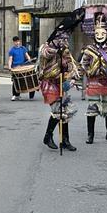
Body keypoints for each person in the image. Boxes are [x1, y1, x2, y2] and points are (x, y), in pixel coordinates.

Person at [79, 8, 107, 144]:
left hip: (106, 82)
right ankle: (90, 135)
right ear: (94, 34)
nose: (100, 35)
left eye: (103, 33)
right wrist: (88, 71)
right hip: (93, 82)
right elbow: (83, 64)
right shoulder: (89, 49)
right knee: (92, 108)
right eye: (97, 33)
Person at [38, 15, 79, 152]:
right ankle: (47, 136)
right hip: (49, 83)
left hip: (61, 82)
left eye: (67, 38)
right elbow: (46, 54)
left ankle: (65, 140)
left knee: (65, 112)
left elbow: (70, 65)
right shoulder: (46, 46)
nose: (65, 40)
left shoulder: (65, 50)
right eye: (63, 38)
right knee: (57, 111)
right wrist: (57, 48)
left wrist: (72, 77)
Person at [8, 35, 35, 101]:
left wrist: (29, 59)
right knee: (15, 81)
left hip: (23, 67)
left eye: (18, 41)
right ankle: (15, 95)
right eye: (16, 42)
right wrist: (9, 67)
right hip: (15, 67)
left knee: (29, 79)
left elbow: (27, 55)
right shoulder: (12, 50)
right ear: (13, 42)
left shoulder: (23, 48)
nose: (17, 43)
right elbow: (10, 59)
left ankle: (31, 94)